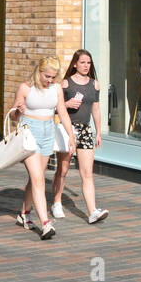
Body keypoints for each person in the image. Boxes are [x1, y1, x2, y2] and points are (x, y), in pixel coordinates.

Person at [11, 56, 74, 240]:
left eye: (53, 77)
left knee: (36, 178)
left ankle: (24, 213)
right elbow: (12, 116)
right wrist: (18, 111)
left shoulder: (56, 89)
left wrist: (71, 137)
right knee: (38, 178)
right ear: (39, 72)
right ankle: (46, 223)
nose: (50, 80)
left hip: (48, 134)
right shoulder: (26, 88)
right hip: (29, 134)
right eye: (47, 76)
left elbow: (62, 112)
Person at [51, 49, 108, 224]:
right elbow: (53, 108)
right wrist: (67, 104)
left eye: (88, 62)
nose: (86, 66)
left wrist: (98, 132)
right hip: (68, 130)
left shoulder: (94, 84)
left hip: (85, 131)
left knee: (87, 173)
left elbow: (96, 109)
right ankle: (57, 202)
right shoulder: (65, 84)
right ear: (75, 63)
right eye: (82, 62)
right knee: (63, 169)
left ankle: (92, 212)